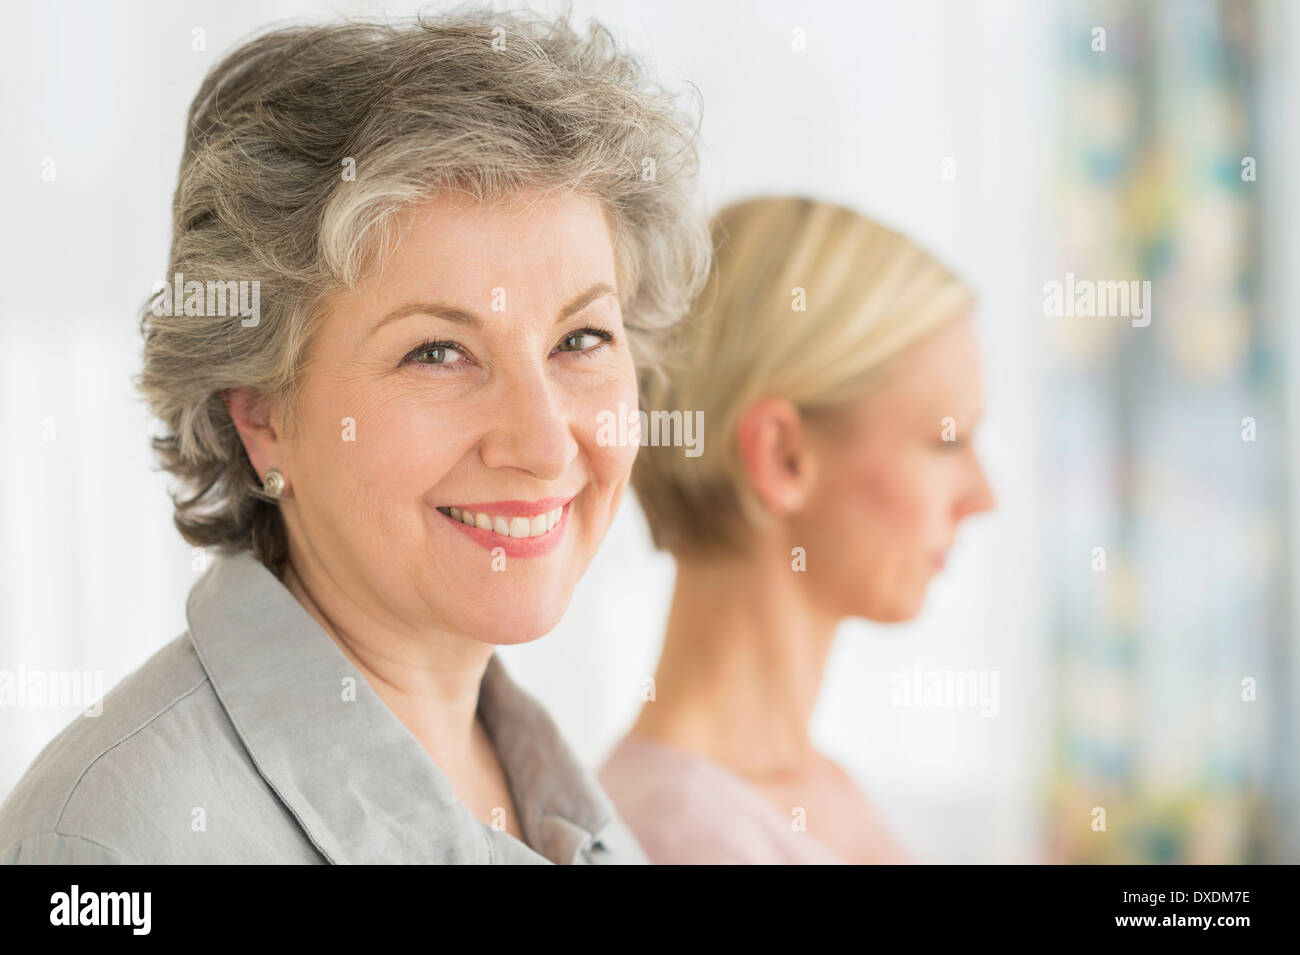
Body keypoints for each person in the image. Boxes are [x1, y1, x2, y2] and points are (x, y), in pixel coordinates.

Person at [0, 9, 710, 864]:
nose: (546, 445)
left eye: (581, 338)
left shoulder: (568, 812)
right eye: (438, 352)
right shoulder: (116, 840)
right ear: (261, 413)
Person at [599, 196, 996, 864]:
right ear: (783, 456)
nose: (983, 497)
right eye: (946, 440)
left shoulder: (816, 789)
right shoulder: (683, 837)